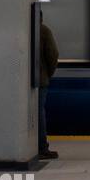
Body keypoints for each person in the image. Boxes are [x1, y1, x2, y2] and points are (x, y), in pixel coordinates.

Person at [37, 10, 60, 160]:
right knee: (39, 113)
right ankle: (42, 147)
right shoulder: (43, 30)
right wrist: (47, 73)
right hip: (41, 80)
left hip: (24, 83)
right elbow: (53, 54)